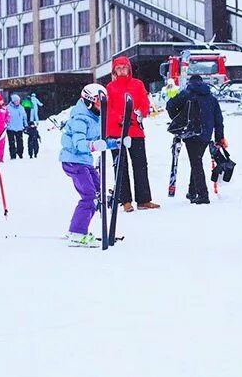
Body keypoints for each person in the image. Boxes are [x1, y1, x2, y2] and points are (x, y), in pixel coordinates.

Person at [60, 84, 128, 247]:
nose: (102, 106)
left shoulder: (95, 117)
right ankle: (77, 232)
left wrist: (116, 143)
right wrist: (94, 146)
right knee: (89, 196)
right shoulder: (80, 118)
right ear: (89, 101)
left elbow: (101, 141)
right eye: (98, 102)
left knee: (98, 191)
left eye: (103, 102)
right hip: (73, 161)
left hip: (84, 161)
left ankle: (78, 226)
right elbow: (79, 143)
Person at [106, 57, 160, 212]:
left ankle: (143, 200)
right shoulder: (109, 87)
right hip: (116, 132)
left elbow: (144, 103)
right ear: (114, 71)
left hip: (135, 130)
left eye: (124, 67)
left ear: (129, 68)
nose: (122, 70)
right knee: (120, 166)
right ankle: (125, 201)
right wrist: (120, 119)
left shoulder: (137, 84)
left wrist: (139, 113)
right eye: (119, 68)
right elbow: (108, 109)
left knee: (140, 165)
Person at [166, 75, 225, 205]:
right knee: (196, 160)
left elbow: (169, 106)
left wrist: (177, 118)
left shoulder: (186, 94)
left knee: (196, 163)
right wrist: (219, 137)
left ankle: (203, 195)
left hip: (191, 133)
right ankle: (192, 191)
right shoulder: (211, 98)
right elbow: (218, 119)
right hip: (206, 134)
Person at [6, 94, 28, 159]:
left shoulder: (21, 108)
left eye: (18, 100)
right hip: (10, 128)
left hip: (19, 128)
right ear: (13, 101)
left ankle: (20, 153)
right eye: (16, 100)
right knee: (11, 143)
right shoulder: (7, 108)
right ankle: (13, 155)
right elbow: (5, 117)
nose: (18, 102)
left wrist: (25, 125)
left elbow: (24, 117)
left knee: (20, 142)